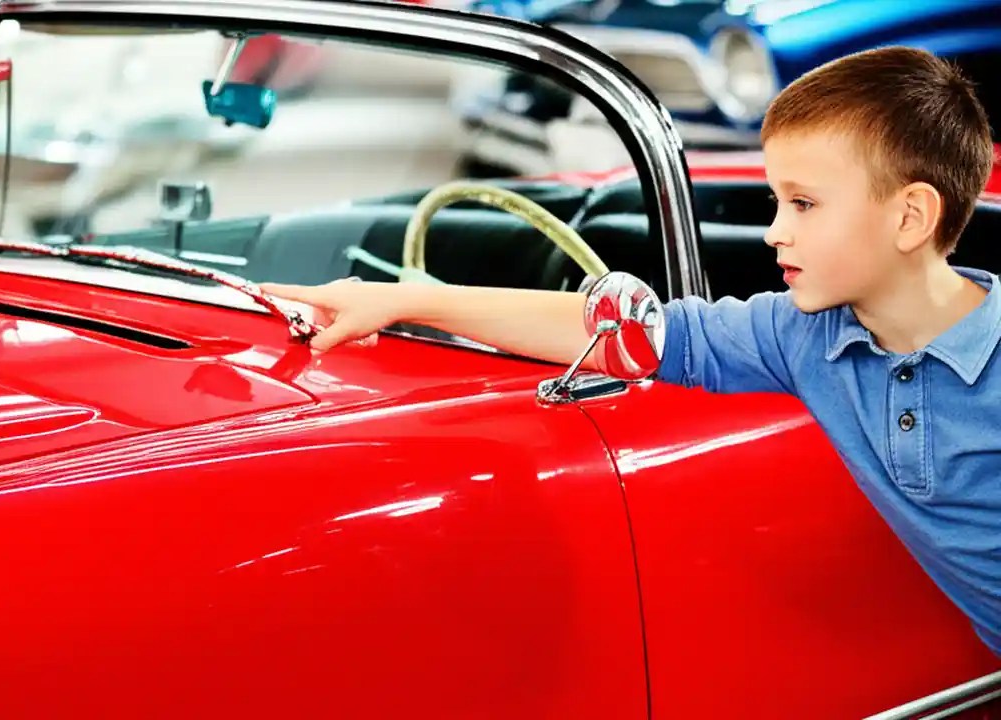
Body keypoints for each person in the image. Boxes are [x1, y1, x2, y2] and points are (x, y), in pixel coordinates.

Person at [260, 46, 1001, 657]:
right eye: (776, 202)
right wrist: (404, 300)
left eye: (803, 205)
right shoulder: (800, 333)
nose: (776, 230)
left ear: (910, 217)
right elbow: (616, 331)